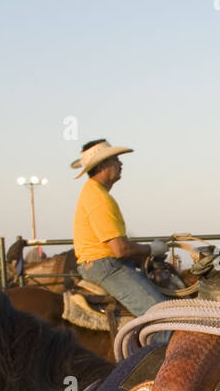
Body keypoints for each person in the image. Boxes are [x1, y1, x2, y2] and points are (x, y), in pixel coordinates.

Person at [71, 139, 168, 327]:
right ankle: (163, 354)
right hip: (106, 266)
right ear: (103, 165)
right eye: (116, 159)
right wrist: (152, 249)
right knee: (162, 317)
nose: (120, 163)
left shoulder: (94, 193)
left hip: (100, 264)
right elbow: (120, 249)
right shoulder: (100, 199)